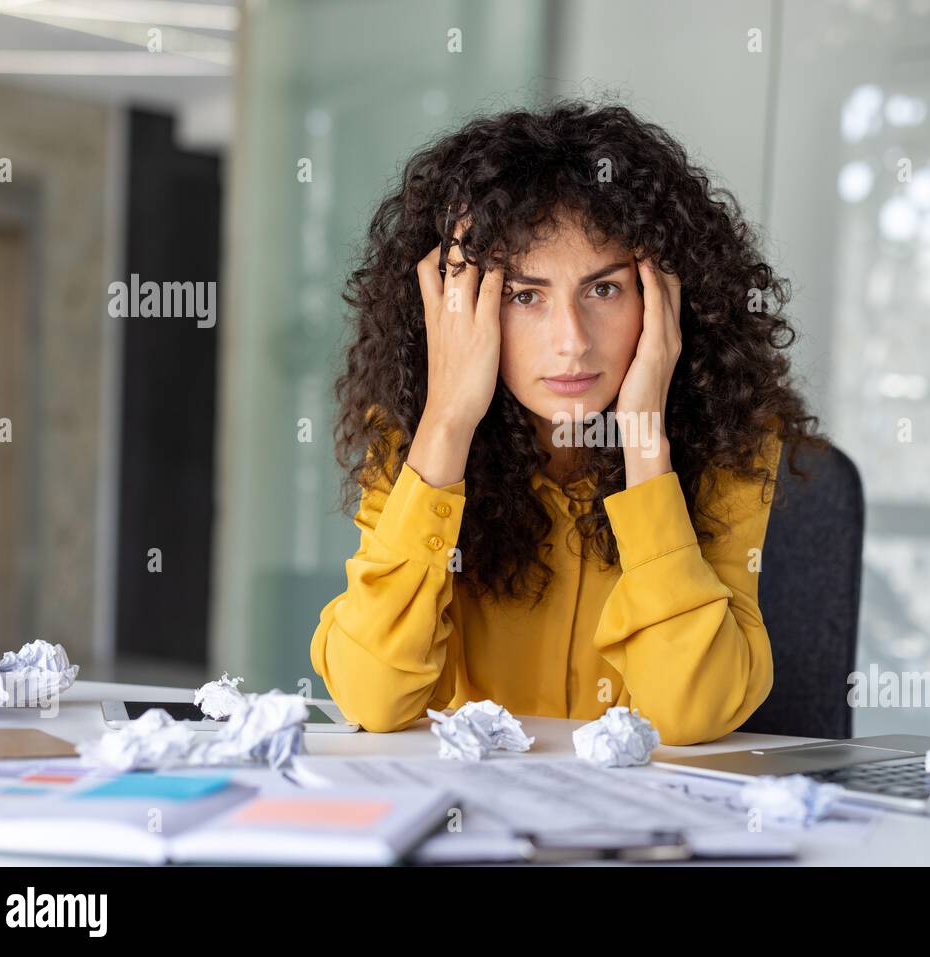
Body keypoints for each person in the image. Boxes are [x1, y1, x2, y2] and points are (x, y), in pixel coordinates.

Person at [311, 100, 826, 745]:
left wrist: (645, 448)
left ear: (666, 295)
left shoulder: (733, 441)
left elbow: (691, 712)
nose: (571, 342)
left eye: (604, 289)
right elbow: (373, 697)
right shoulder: (412, 436)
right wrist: (446, 422)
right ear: (456, 310)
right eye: (526, 296)